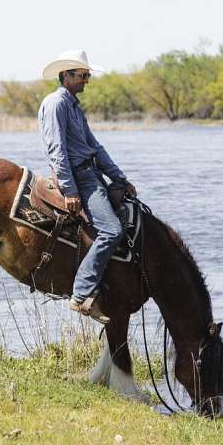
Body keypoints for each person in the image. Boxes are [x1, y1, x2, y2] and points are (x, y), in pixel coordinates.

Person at [38, 50, 136, 325]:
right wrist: (69, 190)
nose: (87, 80)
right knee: (112, 230)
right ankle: (81, 295)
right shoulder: (55, 104)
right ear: (66, 76)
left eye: (87, 75)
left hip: (91, 174)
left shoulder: (73, 106)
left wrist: (119, 178)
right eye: (82, 75)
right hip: (80, 178)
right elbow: (56, 150)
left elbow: (95, 147)